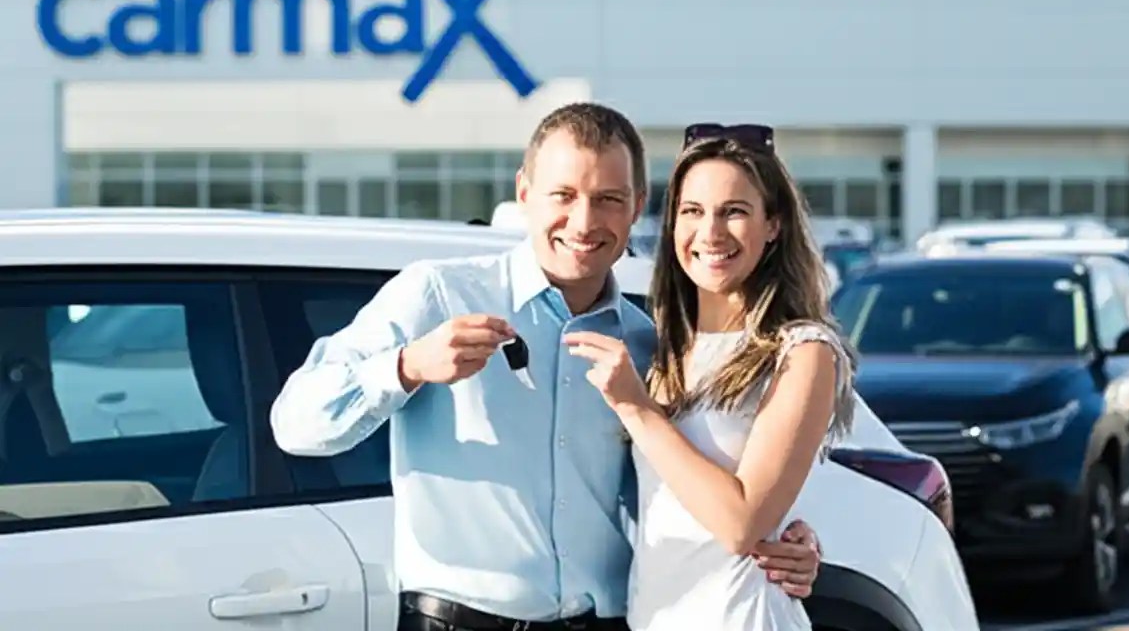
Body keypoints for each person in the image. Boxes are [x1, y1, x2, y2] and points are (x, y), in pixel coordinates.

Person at [269, 104, 824, 631]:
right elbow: (294, 425)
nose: (583, 222)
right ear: (525, 193)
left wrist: (790, 544)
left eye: (608, 199)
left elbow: (687, 488)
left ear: (636, 207)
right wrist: (407, 367)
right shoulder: (437, 295)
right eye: (563, 194)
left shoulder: (646, 345)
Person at [563, 123, 856, 630]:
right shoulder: (664, 351)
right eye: (693, 211)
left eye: (735, 212)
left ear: (773, 225)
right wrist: (801, 533)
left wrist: (637, 407)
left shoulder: (803, 351)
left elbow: (741, 524)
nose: (711, 233)